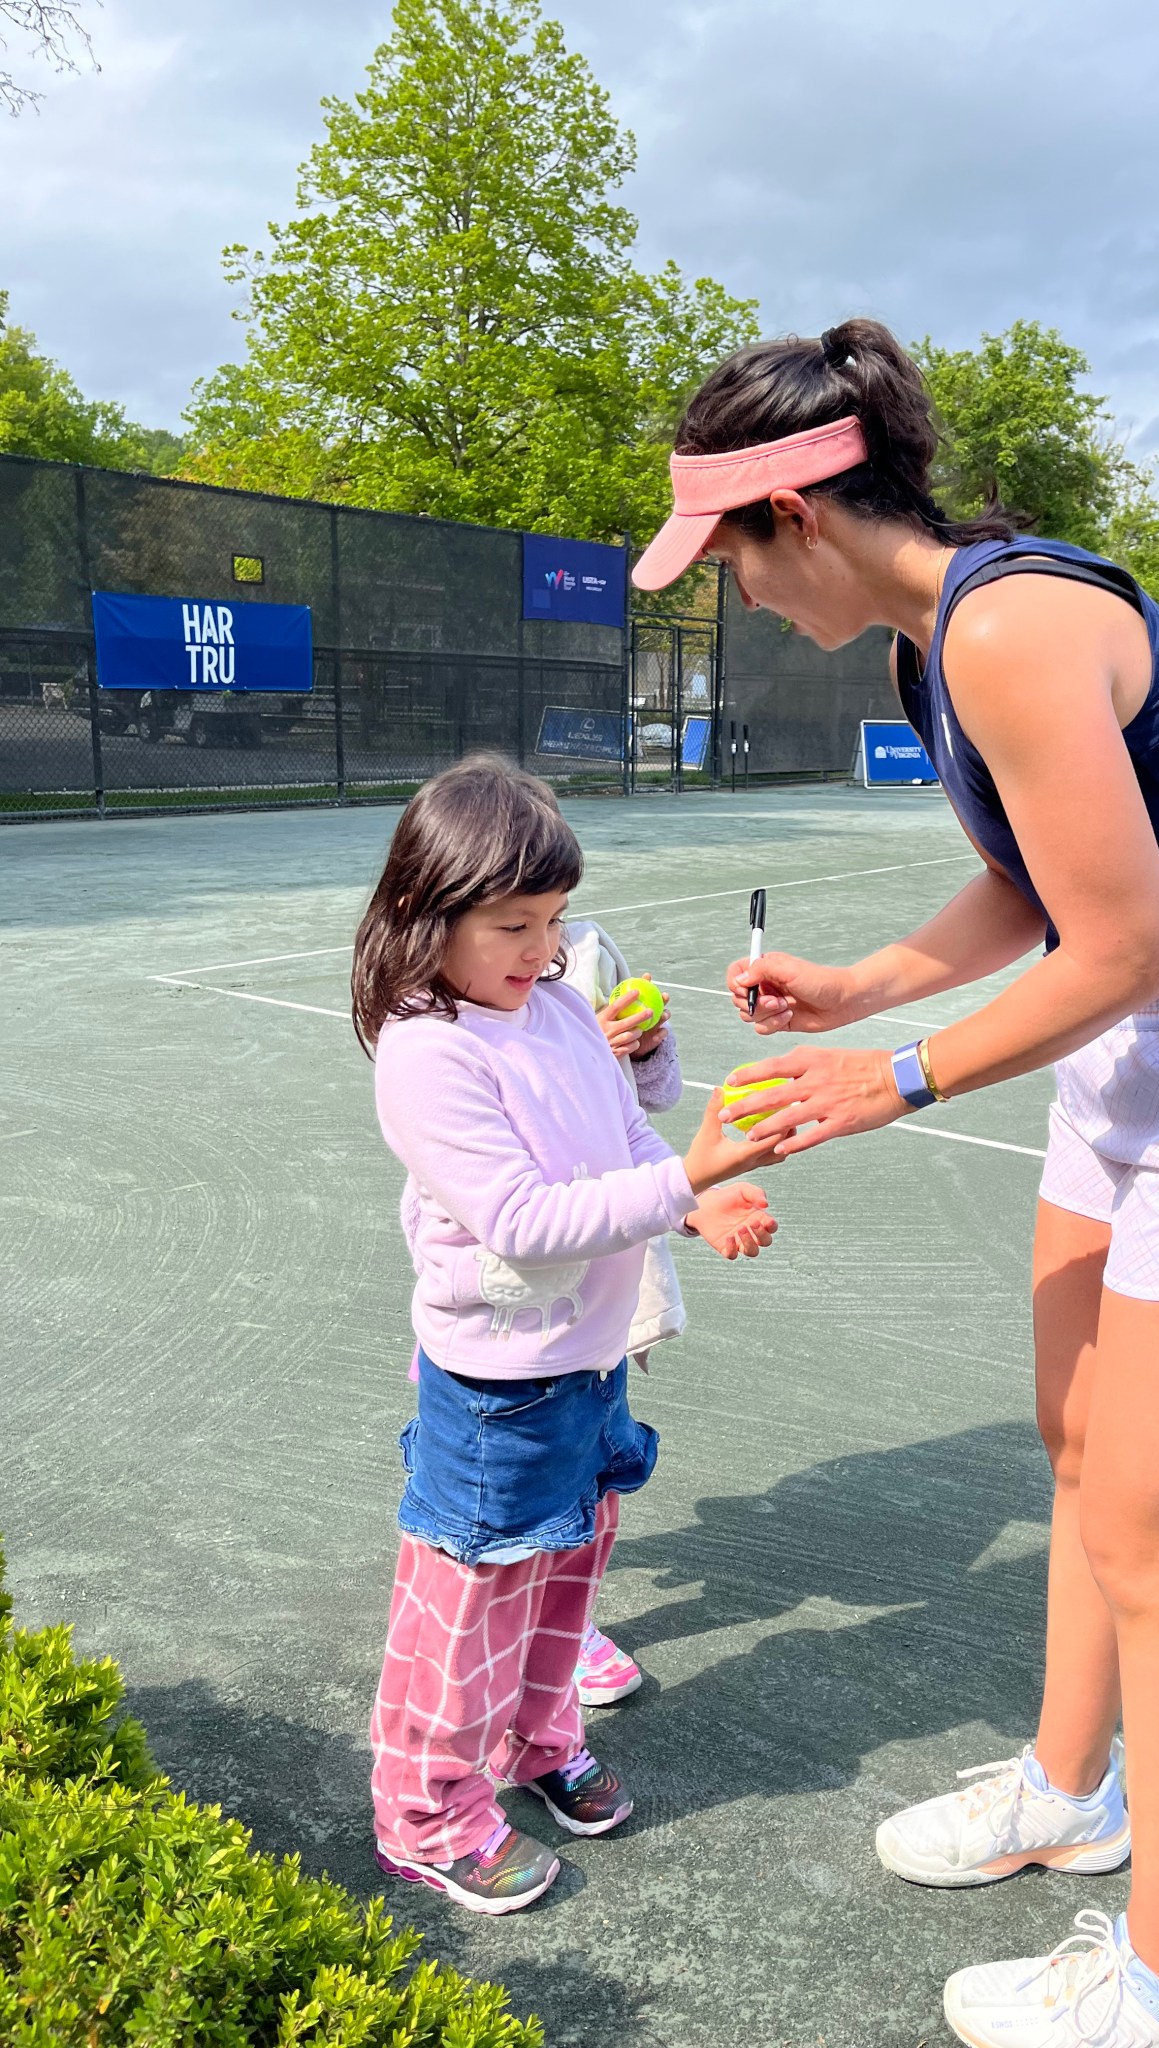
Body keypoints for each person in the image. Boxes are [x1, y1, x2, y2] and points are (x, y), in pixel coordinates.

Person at [631, 321, 1159, 2048]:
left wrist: (880, 1078)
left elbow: (1121, 938)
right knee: (1074, 1449)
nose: (738, 602)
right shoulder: (929, 652)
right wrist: (860, 983)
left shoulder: (1018, 623)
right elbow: (1030, 887)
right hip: (1131, 1050)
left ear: (800, 517)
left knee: (1156, 1541)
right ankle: (1069, 1785)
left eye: (730, 564)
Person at [352, 755, 779, 1915]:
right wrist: (693, 1171)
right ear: (419, 909)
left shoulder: (548, 1003)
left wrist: (690, 1193)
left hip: (587, 1368)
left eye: (553, 919)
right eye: (512, 924)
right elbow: (526, 1221)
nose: (542, 949)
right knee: (469, 1604)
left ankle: (536, 1742)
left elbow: (622, 1137)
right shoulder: (426, 1049)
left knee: (567, 1579)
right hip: (496, 1389)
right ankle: (427, 1810)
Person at [564, 921, 687, 1707]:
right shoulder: (448, 983)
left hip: (609, 1257)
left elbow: (648, 1105)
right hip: (523, 1282)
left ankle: (563, 1616)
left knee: (596, 1454)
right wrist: (580, 1047)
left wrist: (638, 1049)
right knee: (535, 1465)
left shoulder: (586, 948)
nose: (544, 933)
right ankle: (551, 1628)